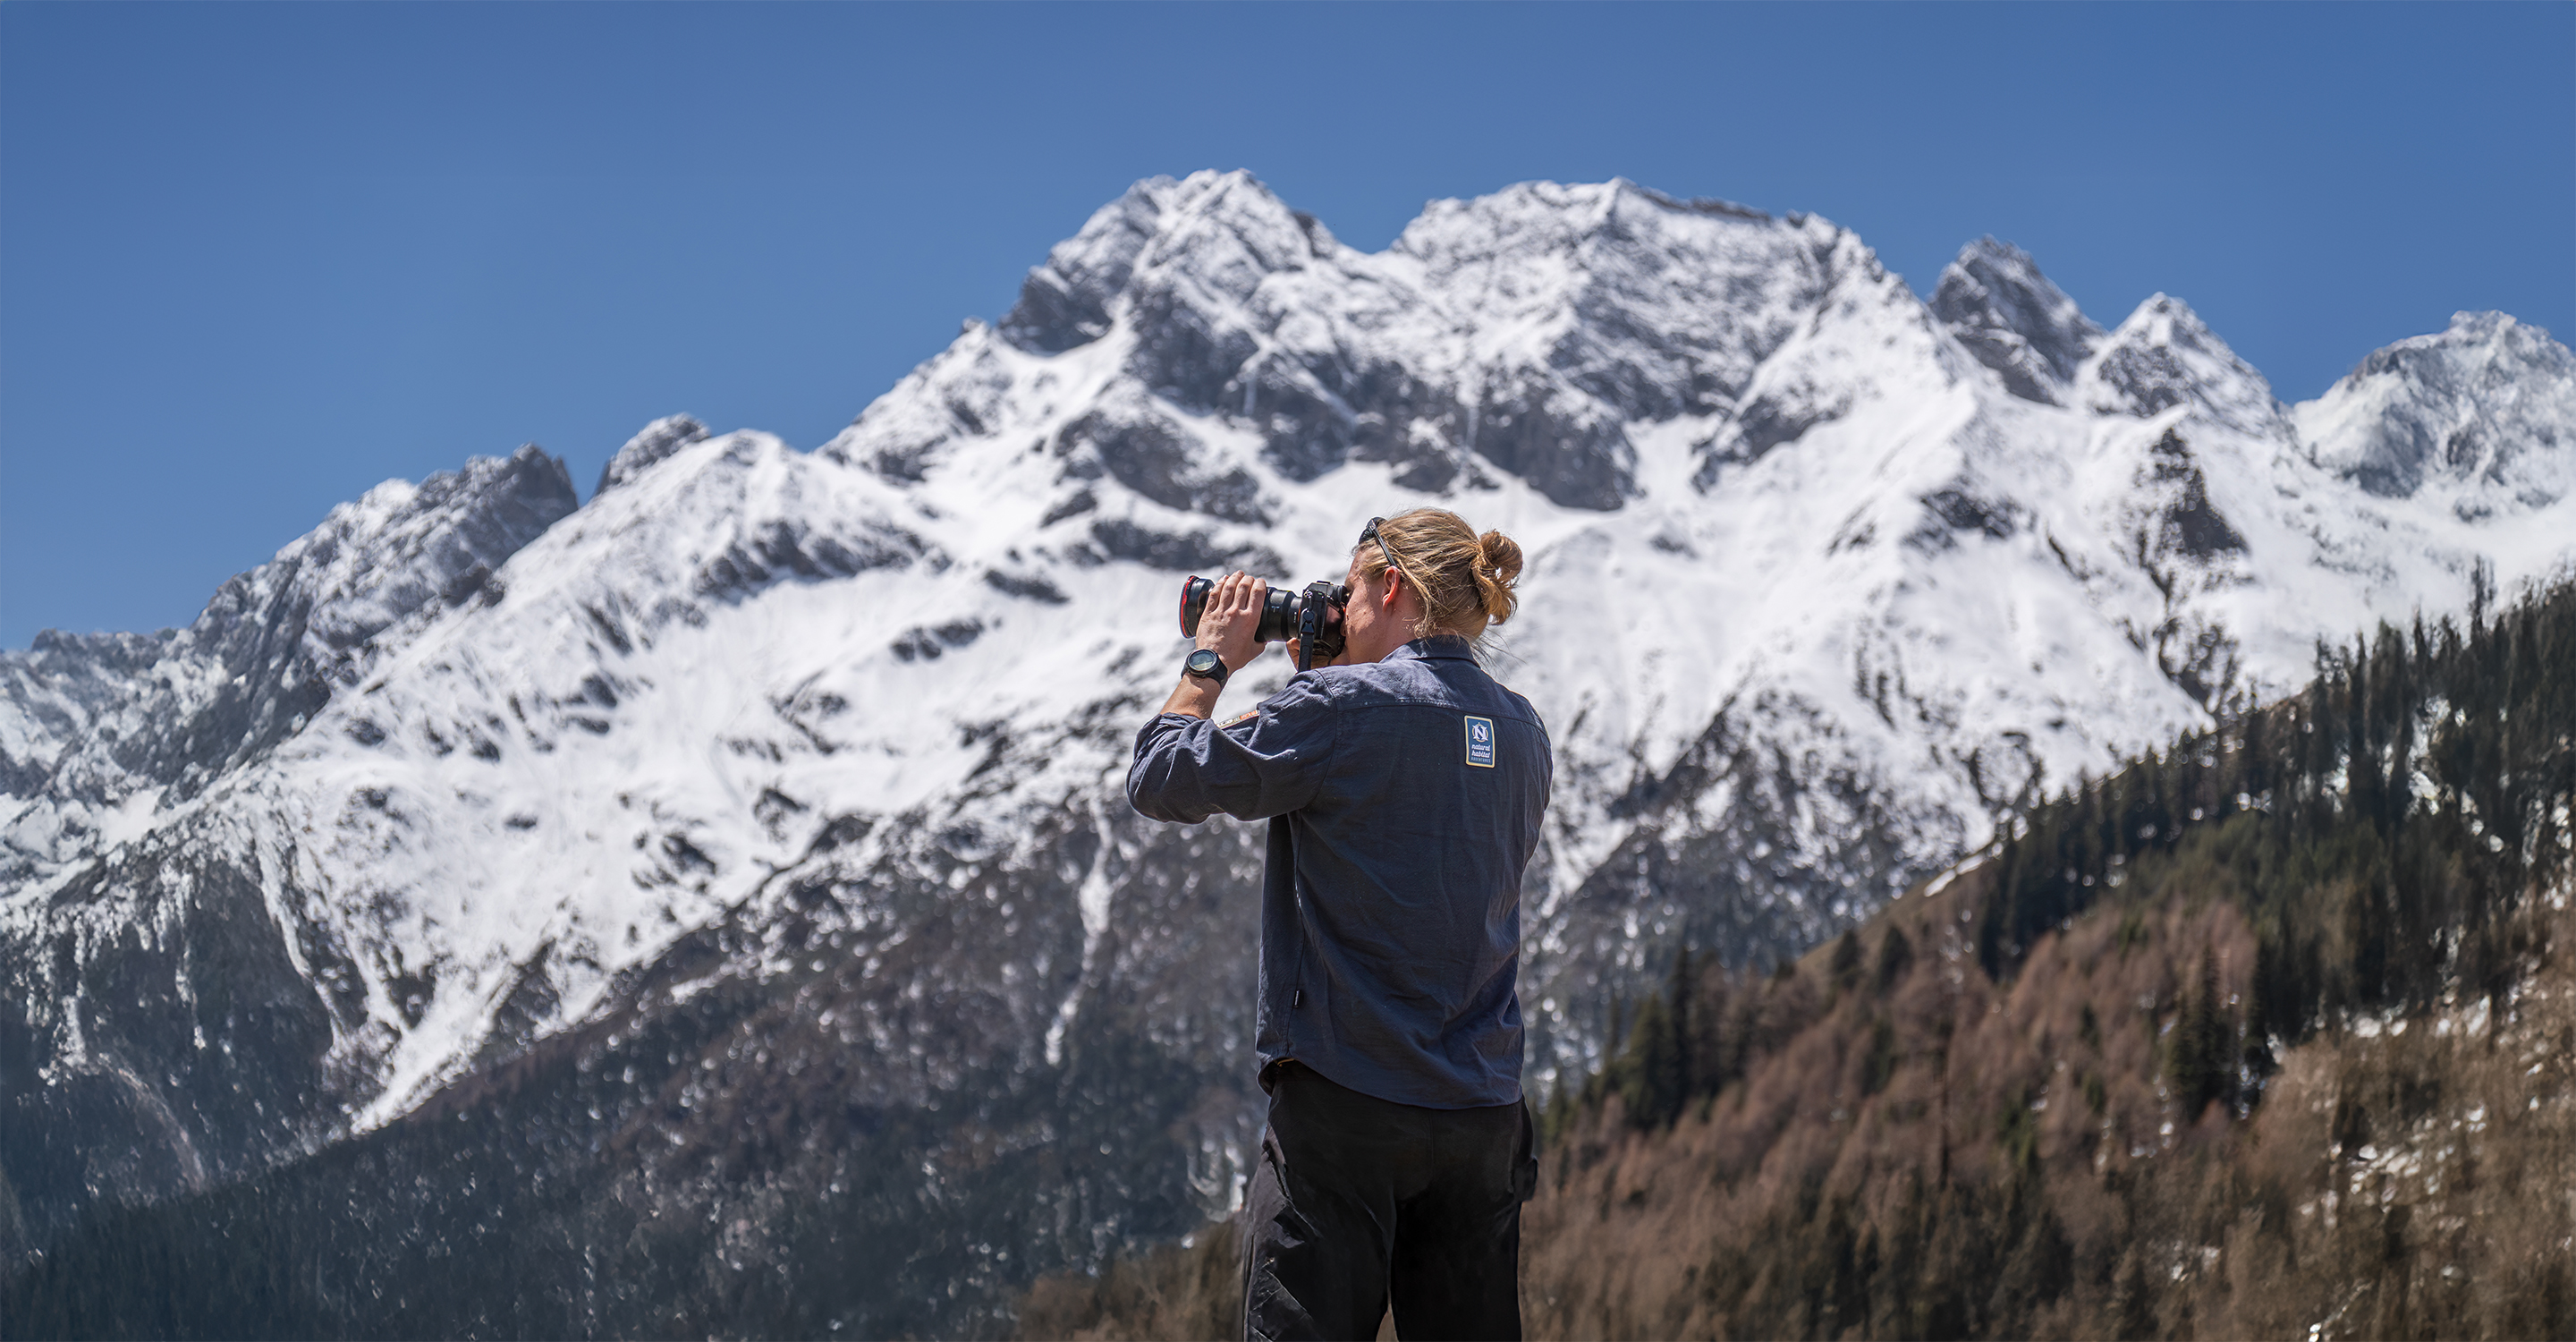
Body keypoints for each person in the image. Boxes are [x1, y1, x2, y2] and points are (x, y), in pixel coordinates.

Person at [1127, 508, 1553, 1341]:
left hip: (1346, 1111)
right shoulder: (1523, 729)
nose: (1336, 604)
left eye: (1349, 587)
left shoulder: (1337, 709)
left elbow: (1161, 775)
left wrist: (1214, 658)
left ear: (1390, 585)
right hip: (1482, 1116)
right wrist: (1327, 677)